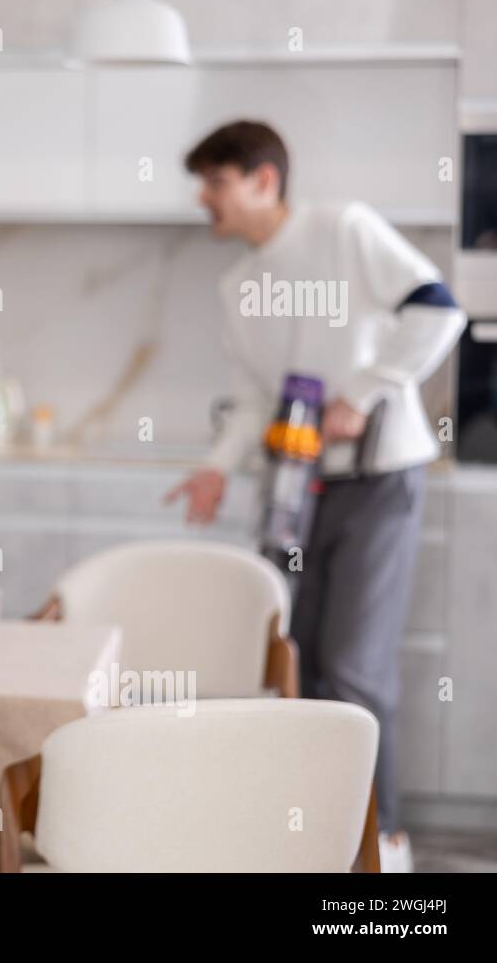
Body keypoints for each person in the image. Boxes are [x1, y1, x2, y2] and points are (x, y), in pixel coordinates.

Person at [162, 121, 466, 872]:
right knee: (298, 663)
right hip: (295, 488)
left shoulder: (344, 230)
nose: (204, 199)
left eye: (216, 182)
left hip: (377, 479)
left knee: (355, 665)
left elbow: (436, 307)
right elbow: (250, 398)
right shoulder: (238, 287)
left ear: (263, 180)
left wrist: (363, 392)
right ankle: (319, 834)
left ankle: (385, 841)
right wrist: (216, 466)